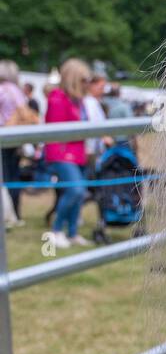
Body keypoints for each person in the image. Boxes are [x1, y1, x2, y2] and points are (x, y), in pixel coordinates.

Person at [44, 59, 93, 248]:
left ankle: (72, 233)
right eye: (83, 79)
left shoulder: (79, 101)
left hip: (78, 152)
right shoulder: (57, 98)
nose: (87, 83)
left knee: (79, 194)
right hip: (62, 153)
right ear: (73, 79)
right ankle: (56, 231)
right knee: (75, 190)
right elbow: (55, 131)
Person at [0, 61, 27, 227]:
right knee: (13, 176)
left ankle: (8, 216)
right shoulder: (16, 90)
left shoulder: (3, 89)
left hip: (4, 137)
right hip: (15, 138)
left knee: (4, 177)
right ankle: (15, 214)